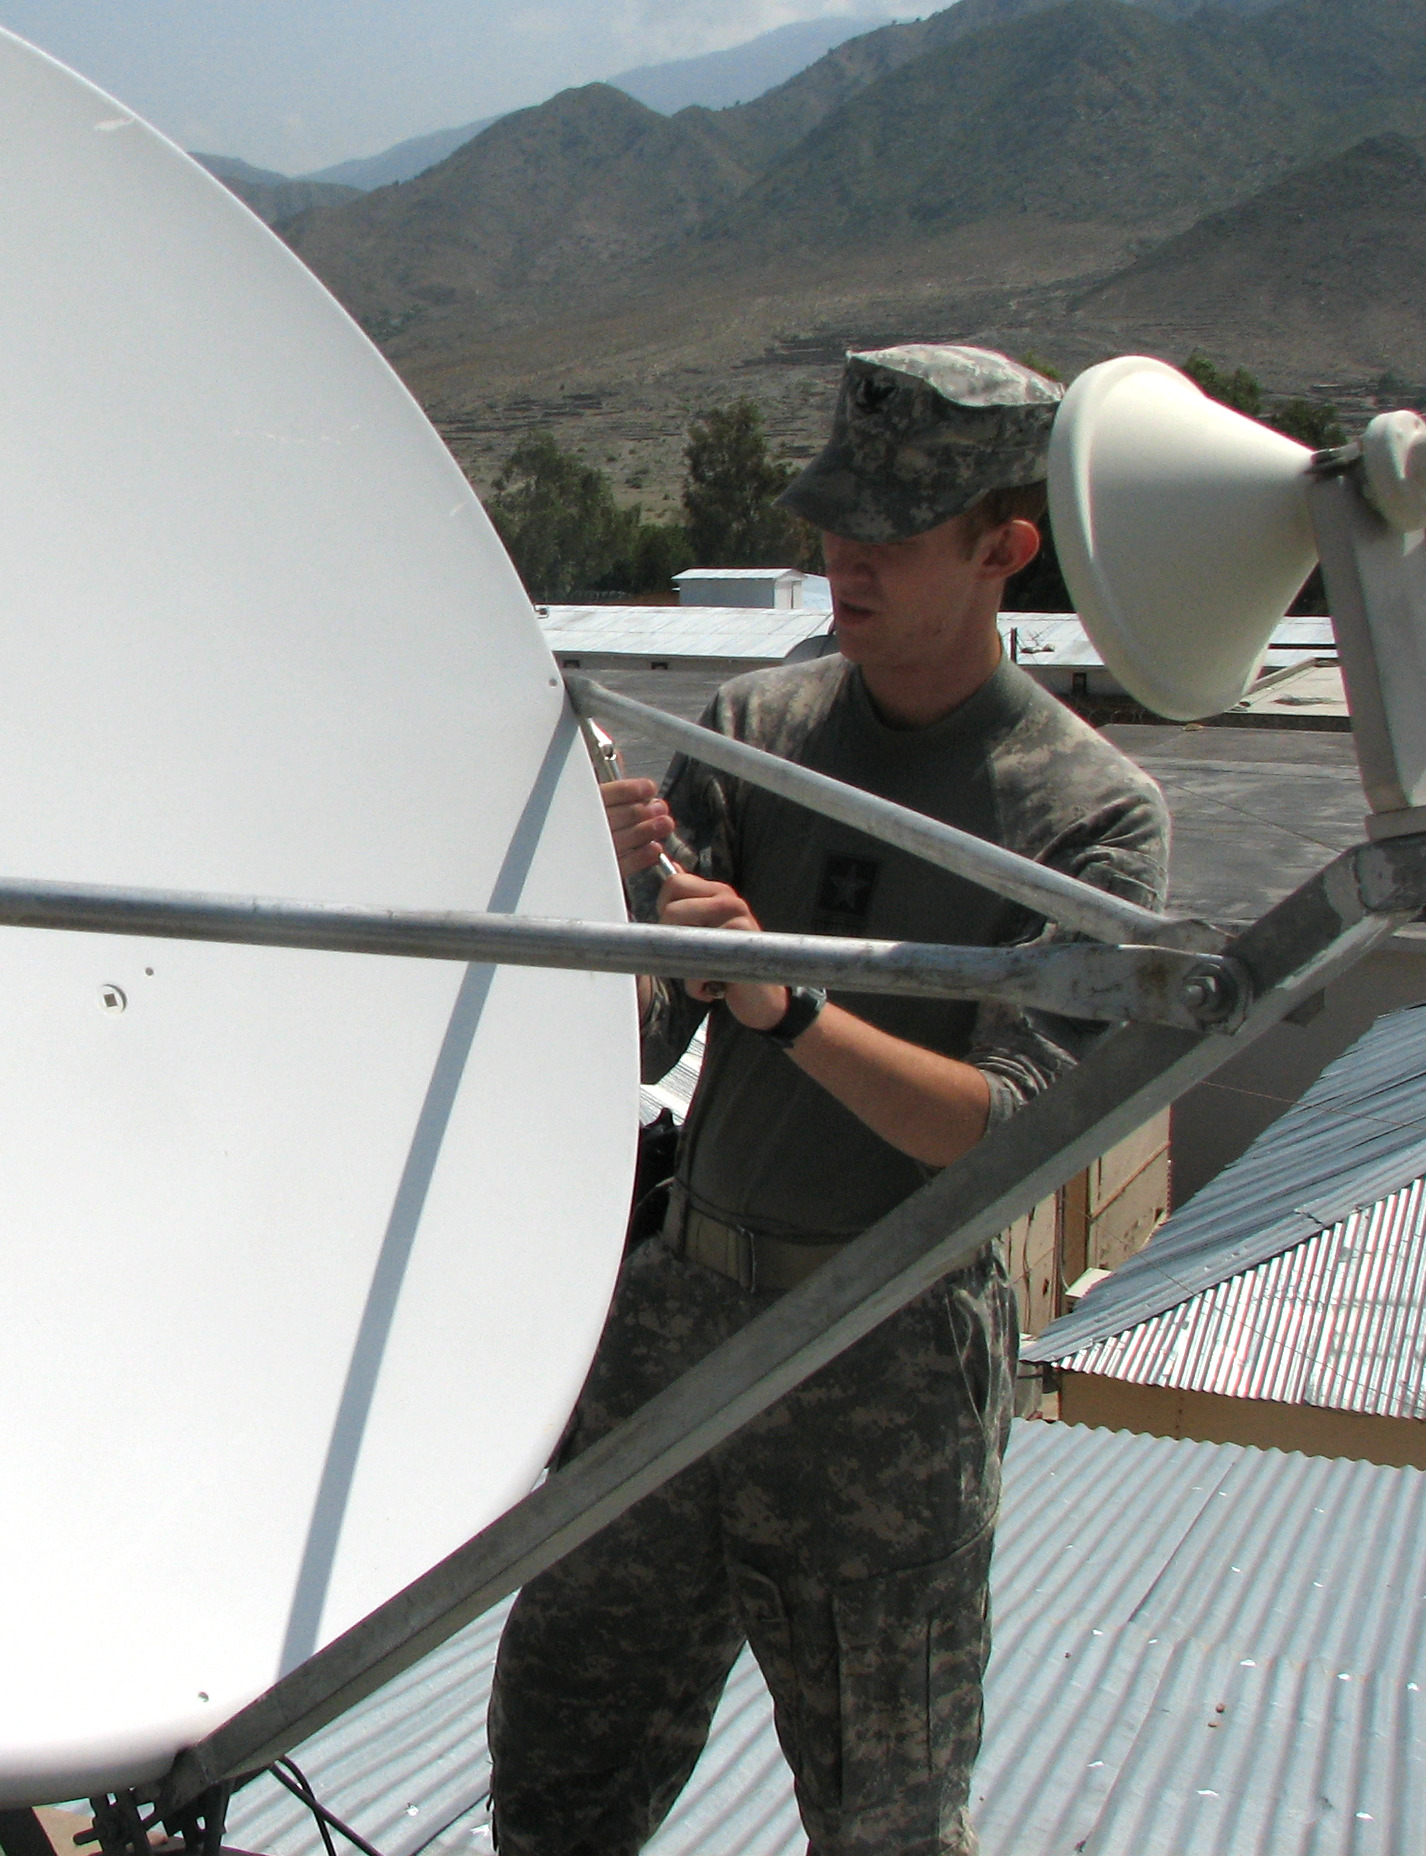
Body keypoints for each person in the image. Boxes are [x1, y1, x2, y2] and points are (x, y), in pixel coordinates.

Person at [487, 345, 1169, 1856]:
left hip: (884, 1371)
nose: (845, 560)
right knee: (557, 1779)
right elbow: (648, 1033)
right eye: (834, 523)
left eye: (894, 533)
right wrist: (600, 905)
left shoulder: (1086, 813)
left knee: (885, 1821)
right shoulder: (757, 726)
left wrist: (785, 1002)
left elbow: (1008, 1133)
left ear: (1003, 549)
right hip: (679, 1326)